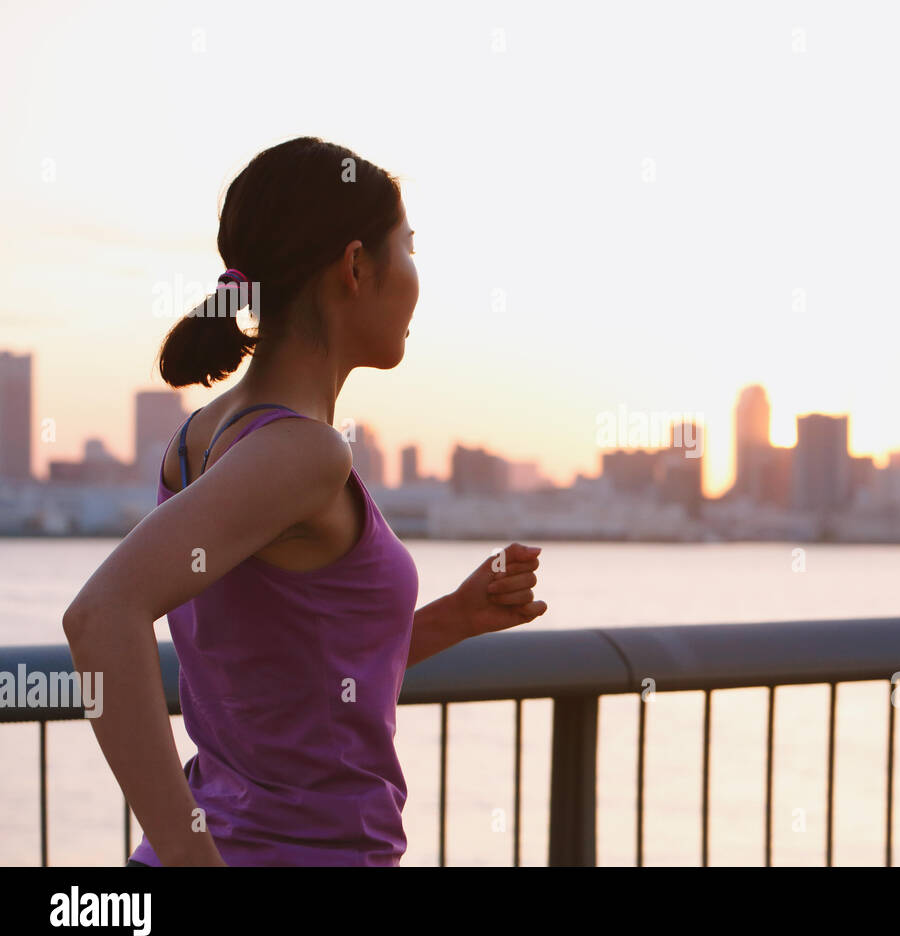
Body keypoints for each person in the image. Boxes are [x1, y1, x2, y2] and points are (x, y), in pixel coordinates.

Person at [62, 137, 547, 866]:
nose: (417, 274)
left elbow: (295, 685)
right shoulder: (305, 453)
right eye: (407, 245)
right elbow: (99, 619)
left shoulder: (197, 439)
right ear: (355, 266)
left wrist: (456, 618)